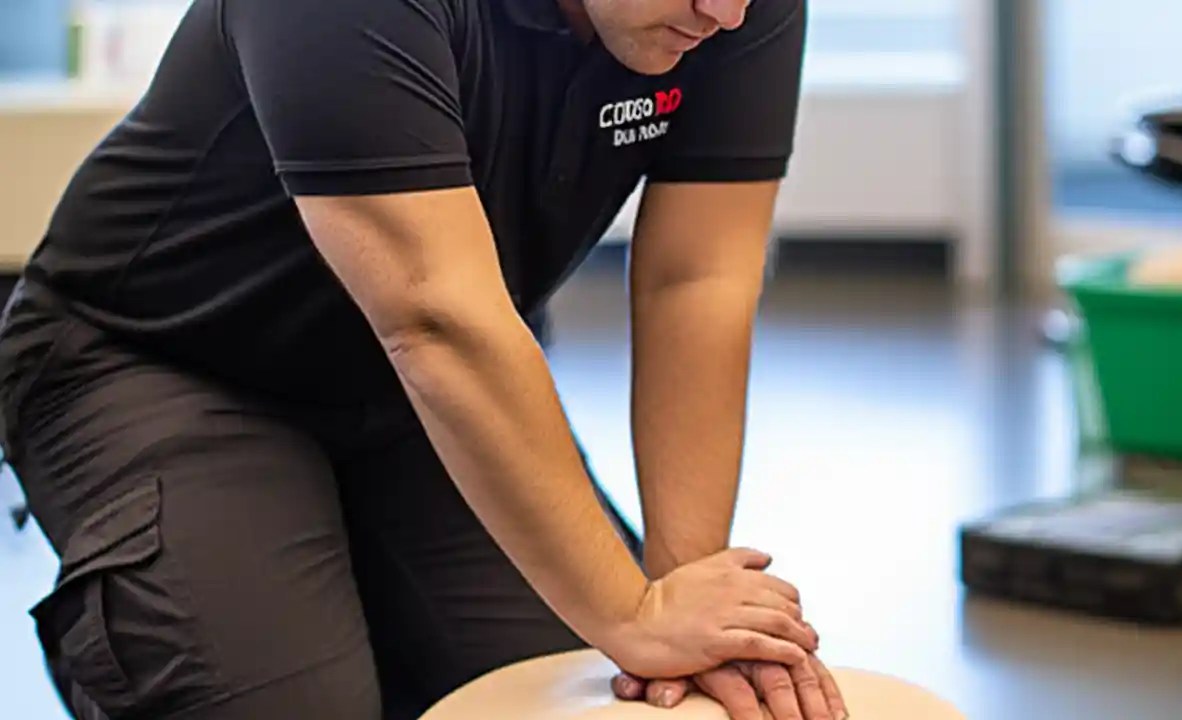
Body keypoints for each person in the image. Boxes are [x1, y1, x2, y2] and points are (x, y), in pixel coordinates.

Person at [0, 0, 846, 719]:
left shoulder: (730, 4)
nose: (727, 12)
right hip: (161, 361)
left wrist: (682, 594)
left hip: (412, 396)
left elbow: (695, 279)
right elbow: (436, 320)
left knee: (576, 697)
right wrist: (630, 613)